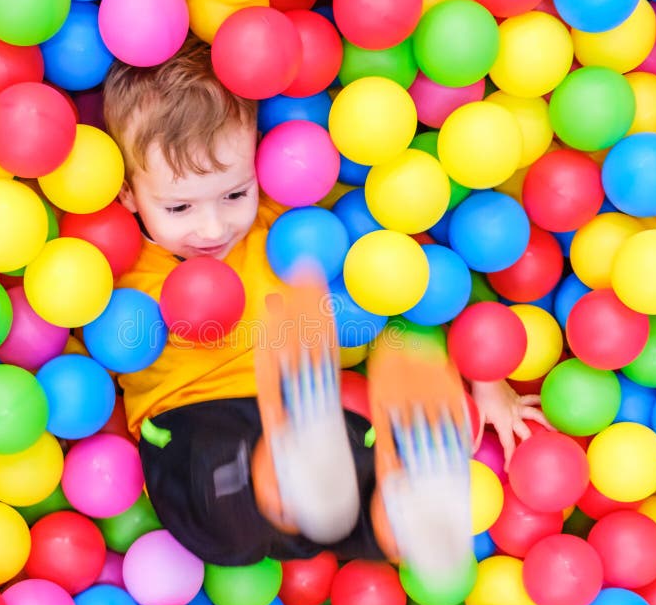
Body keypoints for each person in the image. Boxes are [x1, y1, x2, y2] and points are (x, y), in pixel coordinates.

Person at [103, 35, 549, 567]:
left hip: (299, 412)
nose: (213, 227)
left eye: (235, 194)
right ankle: (293, 480)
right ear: (128, 194)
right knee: (222, 510)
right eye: (179, 208)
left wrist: (486, 379)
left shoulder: (290, 219)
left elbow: (410, 266)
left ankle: (377, 502)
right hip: (191, 419)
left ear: (258, 163)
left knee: (357, 478)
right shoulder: (118, 260)